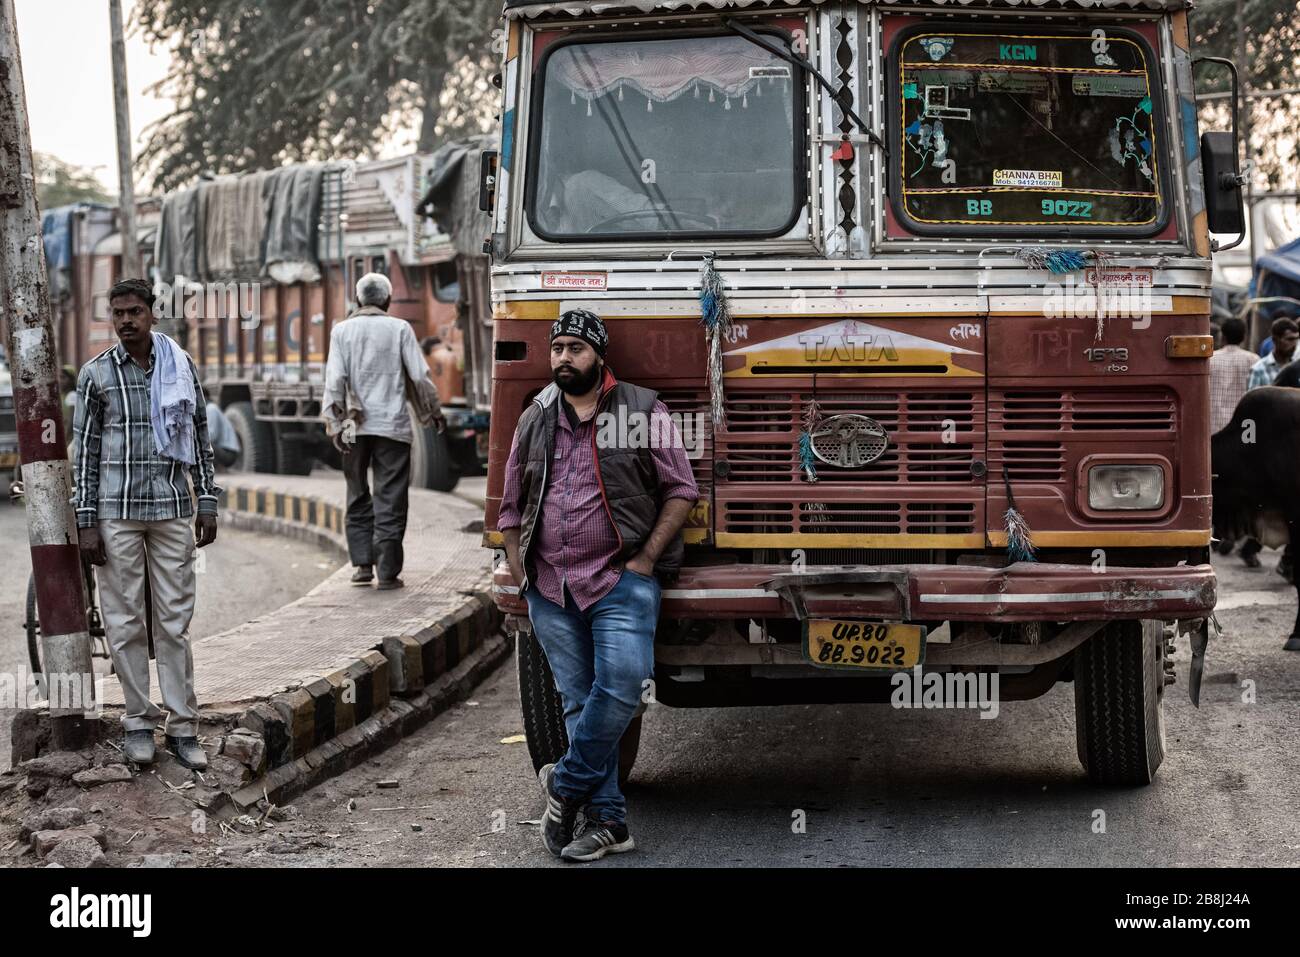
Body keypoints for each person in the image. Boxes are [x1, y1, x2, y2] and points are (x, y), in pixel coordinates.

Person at [497, 308, 699, 863]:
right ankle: (608, 820)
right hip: (552, 586)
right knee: (577, 698)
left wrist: (646, 560)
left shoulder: (640, 408)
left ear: (599, 355)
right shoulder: (535, 415)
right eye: (557, 347)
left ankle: (564, 784)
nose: (564, 357)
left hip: (619, 579)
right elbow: (510, 505)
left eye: (575, 349)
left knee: (623, 685)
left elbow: (681, 489)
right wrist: (521, 570)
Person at [71, 278, 220, 769]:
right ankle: (138, 721)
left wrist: (208, 500)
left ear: (152, 314)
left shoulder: (180, 367)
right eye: (118, 313)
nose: (126, 320)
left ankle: (183, 727)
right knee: (124, 621)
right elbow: (86, 453)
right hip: (116, 514)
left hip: (173, 507)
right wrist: (86, 522)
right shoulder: (96, 375)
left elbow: (199, 435)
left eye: (134, 311)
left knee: (174, 623)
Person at [322, 273, 444, 590]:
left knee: (357, 492)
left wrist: (334, 423)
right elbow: (420, 375)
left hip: (352, 427)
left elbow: (334, 381)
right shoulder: (400, 328)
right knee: (390, 498)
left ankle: (362, 565)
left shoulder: (341, 331)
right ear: (387, 301)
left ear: (359, 300)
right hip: (392, 427)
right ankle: (388, 571)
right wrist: (433, 411)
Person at [1209, 317, 1258, 436]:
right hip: (1245, 427)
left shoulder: (1210, 360)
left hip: (1215, 426)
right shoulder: (1254, 360)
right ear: (1243, 337)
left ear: (1223, 336)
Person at [1246, 316, 1298, 390]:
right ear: (1275, 340)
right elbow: (1253, 400)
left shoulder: (1296, 368)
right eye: (1290, 339)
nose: (1294, 344)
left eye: (1296, 339)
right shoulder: (1259, 370)